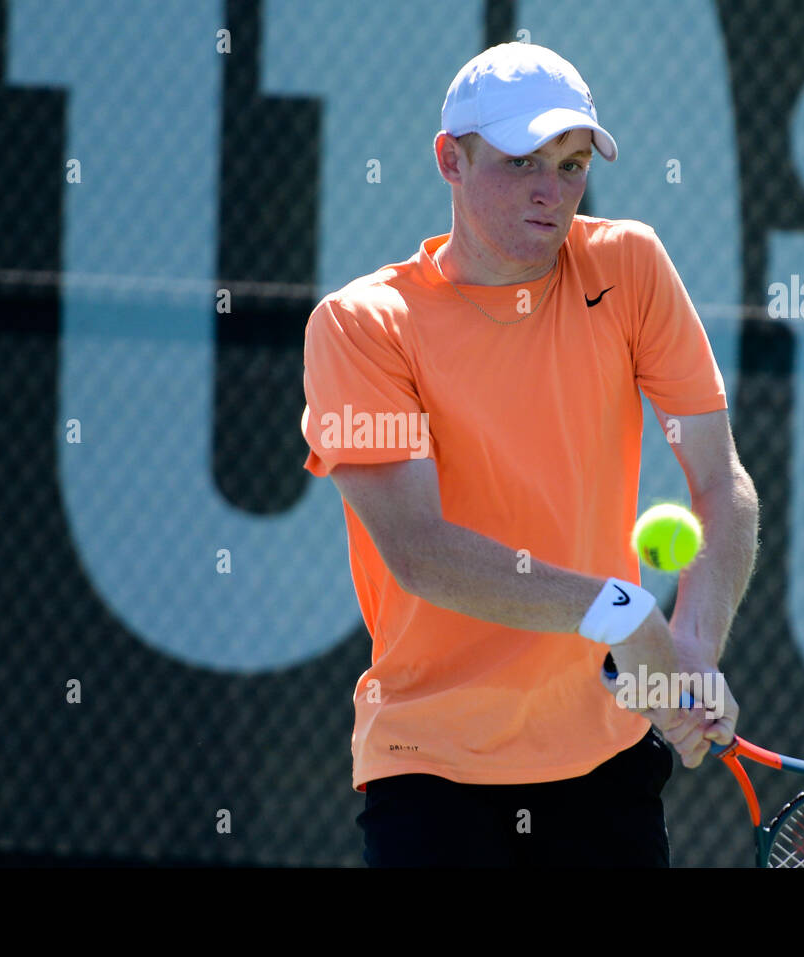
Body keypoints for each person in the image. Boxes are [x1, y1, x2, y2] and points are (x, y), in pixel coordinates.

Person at [300, 42, 759, 867]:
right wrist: (624, 613)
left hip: (608, 773)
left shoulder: (629, 267)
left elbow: (720, 483)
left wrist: (688, 650)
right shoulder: (362, 326)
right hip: (435, 782)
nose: (553, 191)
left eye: (573, 163)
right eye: (521, 163)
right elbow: (420, 551)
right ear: (451, 158)